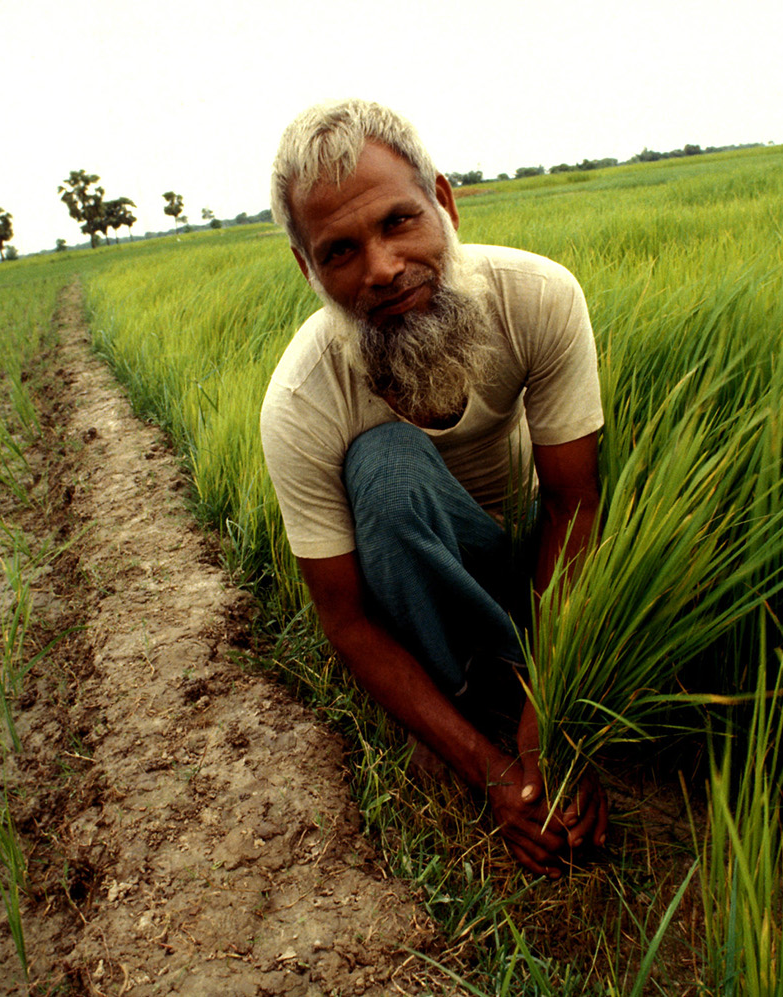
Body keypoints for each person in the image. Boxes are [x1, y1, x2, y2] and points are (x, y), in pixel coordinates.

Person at [260, 98, 608, 877]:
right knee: (384, 465)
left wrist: (547, 724)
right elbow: (346, 620)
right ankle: (458, 711)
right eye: (341, 250)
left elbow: (571, 505)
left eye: (398, 222)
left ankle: (525, 686)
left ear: (444, 205)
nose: (382, 269)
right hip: (412, 594)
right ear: (309, 269)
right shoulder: (301, 401)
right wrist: (490, 768)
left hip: (524, 554)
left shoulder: (538, 298)